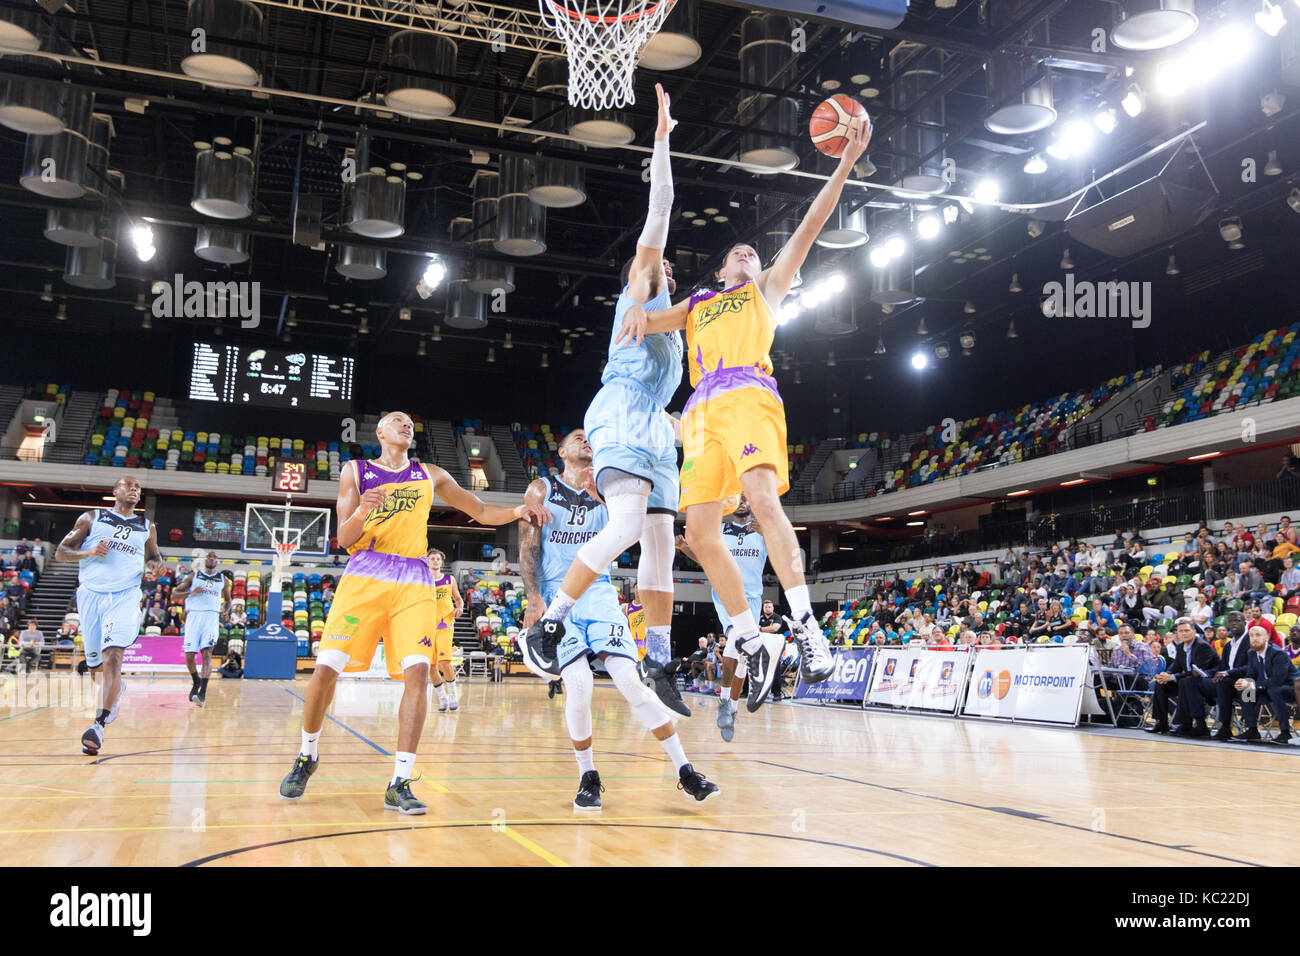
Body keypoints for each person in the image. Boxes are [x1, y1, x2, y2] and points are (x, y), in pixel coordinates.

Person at [613, 112, 873, 711]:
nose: (748, 253)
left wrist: (844, 166)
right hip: (700, 414)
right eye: (738, 252)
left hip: (750, 395)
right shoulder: (701, 301)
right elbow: (648, 316)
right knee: (699, 533)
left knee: (761, 499)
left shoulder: (767, 291)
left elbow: (811, 224)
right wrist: (633, 310)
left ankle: (806, 627)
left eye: (753, 252)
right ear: (722, 268)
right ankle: (752, 639)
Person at [278, 411, 549, 814]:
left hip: (414, 576)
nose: (406, 425)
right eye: (396, 420)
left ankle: (400, 781)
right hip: (366, 572)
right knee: (325, 669)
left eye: (409, 422)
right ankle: (307, 754)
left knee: (419, 673)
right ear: (381, 432)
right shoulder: (355, 471)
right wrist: (362, 511)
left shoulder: (430, 474)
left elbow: (478, 509)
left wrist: (516, 512)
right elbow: (345, 538)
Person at [517, 84, 684, 688]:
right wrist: (663, 140)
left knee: (660, 541)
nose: (664, 266)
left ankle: (660, 656)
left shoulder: (677, 319)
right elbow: (660, 210)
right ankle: (550, 621)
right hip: (620, 409)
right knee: (628, 528)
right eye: (658, 263)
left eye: (667, 266)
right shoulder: (640, 285)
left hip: (658, 424)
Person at [517, 428, 715, 809]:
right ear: (560, 451)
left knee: (630, 681)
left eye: (588, 436)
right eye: (576, 437)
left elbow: (639, 532)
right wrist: (533, 599)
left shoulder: (610, 488)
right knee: (579, 684)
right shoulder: (541, 489)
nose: (584, 440)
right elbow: (528, 547)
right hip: (560, 593)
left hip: (601, 592)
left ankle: (686, 771)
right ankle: (587, 776)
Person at [56, 476, 163, 755]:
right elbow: (60, 553)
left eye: (138, 488)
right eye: (129, 486)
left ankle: (98, 725)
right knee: (95, 668)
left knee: (113, 654)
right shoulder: (91, 518)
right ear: (115, 491)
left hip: (126, 595)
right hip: (91, 595)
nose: (135, 491)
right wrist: (89, 551)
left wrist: (155, 567)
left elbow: (153, 556)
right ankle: (117, 687)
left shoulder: (146, 526)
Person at [676, 494, 769, 739]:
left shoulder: (763, 530)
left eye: (748, 497)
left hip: (752, 598)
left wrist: (771, 533)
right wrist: (686, 549)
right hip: (725, 592)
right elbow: (708, 560)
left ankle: (732, 707)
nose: (742, 501)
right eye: (739, 497)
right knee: (736, 640)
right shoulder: (720, 530)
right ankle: (725, 701)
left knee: (742, 656)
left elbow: (786, 551)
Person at [169, 551, 230, 707]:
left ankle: (203, 692)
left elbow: (228, 601)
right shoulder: (193, 576)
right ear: (205, 560)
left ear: (217, 561)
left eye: (214, 557)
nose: (211, 559)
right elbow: (174, 596)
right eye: (208, 557)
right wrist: (191, 592)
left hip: (211, 617)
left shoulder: (223, 580)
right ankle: (196, 680)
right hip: (194, 617)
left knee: (207, 652)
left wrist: (225, 610)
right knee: (189, 655)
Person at [1146, 617, 1222, 737]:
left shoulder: (1202, 646)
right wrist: (1166, 674)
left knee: (1186, 682)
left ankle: (1195, 724)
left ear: (1194, 631)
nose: (1183, 633)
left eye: (1186, 630)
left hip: (1207, 680)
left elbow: (1197, 671)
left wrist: (1173, 677)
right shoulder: (1181, 647)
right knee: (1159, 683)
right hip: (1188, 680)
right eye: (1180, 631)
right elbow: (1176, 667)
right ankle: (1161, 722)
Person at [1232, 625, 1299, 744]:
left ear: (1267, 637)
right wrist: (1244, 682)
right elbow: (1251, 674)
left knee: (1274, 690)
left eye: (1258, 635)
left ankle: (1285, 732)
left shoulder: (1278, 654)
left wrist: (1252, 685)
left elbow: (1278, 680)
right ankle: (1252, 730)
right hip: (1267, 688)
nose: (1254, 638)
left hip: (1290, 689)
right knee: (1246, 691)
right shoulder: (1252, 653)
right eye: (1251, 636)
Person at [426, 549, 464, 713]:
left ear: (441, 563)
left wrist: (460, 607)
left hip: (445, 625)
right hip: (426, 626)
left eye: (437, 559)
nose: (435, 561)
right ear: (427, 562)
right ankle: (441, 697)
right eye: (432, 558)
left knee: (445, 662)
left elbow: (457, 598)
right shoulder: (422, 580)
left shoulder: (450, 579)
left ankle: (453, 695)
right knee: (431, 666)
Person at [1208, 611, 1252, 741]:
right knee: (1198, 683)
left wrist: (1227, 673)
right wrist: (1209, 674)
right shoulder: (1228, 645)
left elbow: (1249, 667)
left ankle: (1250, 729)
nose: (1233, 623)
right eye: (1231, 621)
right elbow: (1222, 667)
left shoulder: (1251, 641)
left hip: (1248, 679)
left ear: (1244, 622)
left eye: (1237, 620)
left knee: (1239, 686)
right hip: (1230, 681)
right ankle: (1198, 724)